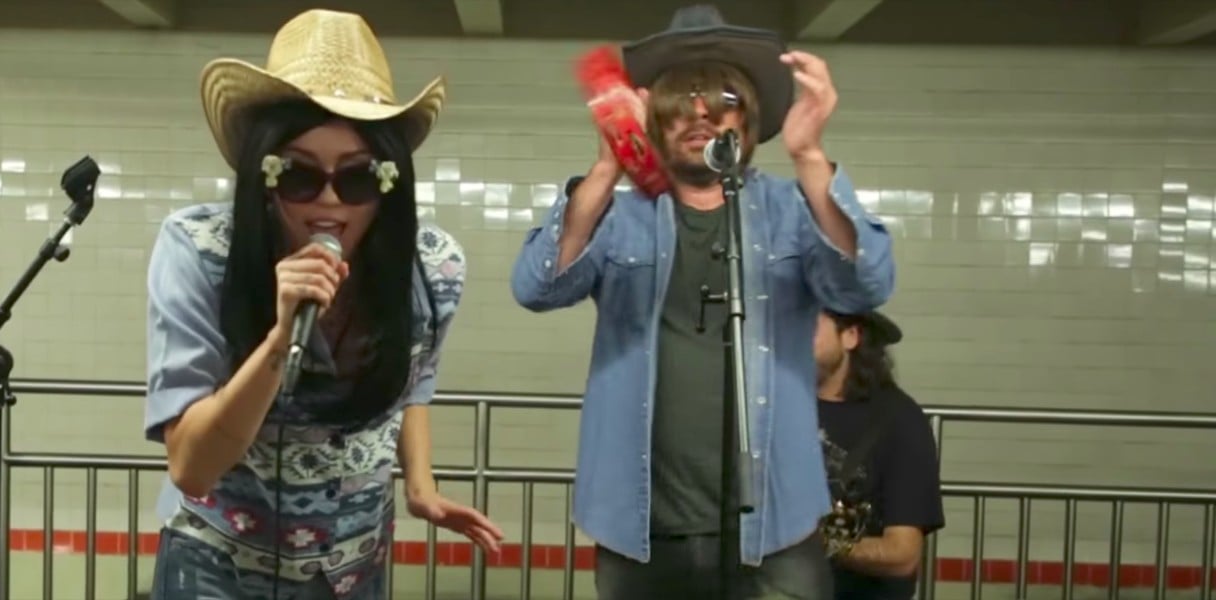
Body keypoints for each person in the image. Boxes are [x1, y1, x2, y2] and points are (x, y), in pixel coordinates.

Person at [510, 4, 895, 599]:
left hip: (776, 525)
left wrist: (810, 156)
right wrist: (608, 164)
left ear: (750, 119)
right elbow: (537, 287)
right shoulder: (621, 217)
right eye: (677, 102)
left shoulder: (792, 209)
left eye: (722, 99)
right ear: (652, 119)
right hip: (641, 526)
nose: (698, 113)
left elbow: (866, 285)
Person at [143, 9, 502, 599]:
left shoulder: (433, 267)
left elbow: (413, 379)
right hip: (219, 565)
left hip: (352, 568)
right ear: (263, 179)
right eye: (298, 176)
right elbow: (191, 467)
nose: (330, 202)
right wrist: (279, 341)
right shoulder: (201, 252)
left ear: (390, 184)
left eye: (358, 178)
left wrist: (421, 484)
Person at [814, 310, 944, 600]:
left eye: (808, 324)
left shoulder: (900, 420)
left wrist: (816, 545)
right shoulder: (773, 410)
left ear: (851, 336)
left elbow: (902, 554)